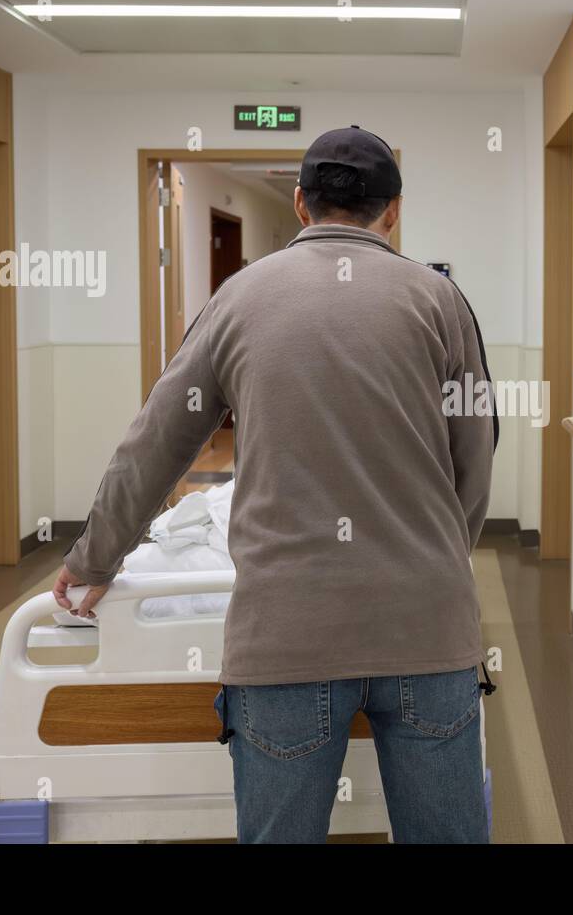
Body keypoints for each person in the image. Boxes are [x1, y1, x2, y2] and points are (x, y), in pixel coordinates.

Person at [52, 125, 496, 843]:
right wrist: (442, 560)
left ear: (299, 203)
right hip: (428, 631)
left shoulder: (239, 297)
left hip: (285, 640)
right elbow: (475, 456)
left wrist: (95, 558)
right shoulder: (440, 301)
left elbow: (158, 441)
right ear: (393, 211)